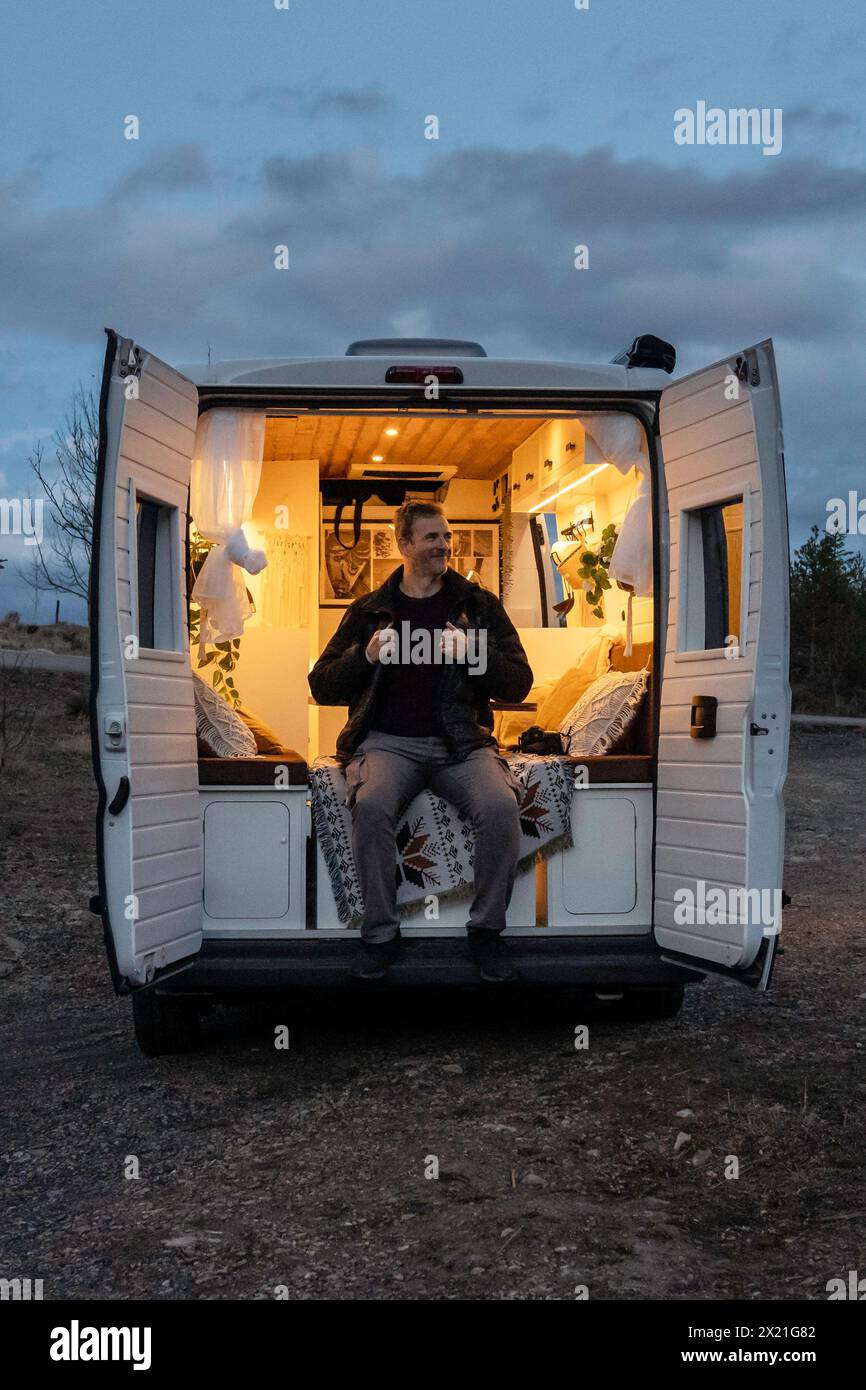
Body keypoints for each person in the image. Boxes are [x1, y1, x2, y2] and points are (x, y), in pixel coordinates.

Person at [309, 500, 534, 982]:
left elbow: (519, 683)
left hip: (461, 745)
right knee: (369, 808)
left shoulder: (478, 605)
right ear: (404, 543)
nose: (444, 546)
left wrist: (477, 653)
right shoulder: (369, 609)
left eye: (447, 537)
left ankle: (486, 934)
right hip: (388, 743)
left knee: (499, 808)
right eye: (432, 537)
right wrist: (365, 656)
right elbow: (321, 684)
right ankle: (380, 936)